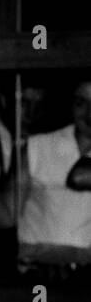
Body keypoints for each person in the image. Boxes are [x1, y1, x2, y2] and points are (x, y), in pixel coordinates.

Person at [17, 78, 91, 265]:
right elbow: (6, 213)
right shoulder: (39, 146)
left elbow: (79, 178)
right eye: (81, 103)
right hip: (37, 263)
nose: (90, 113)